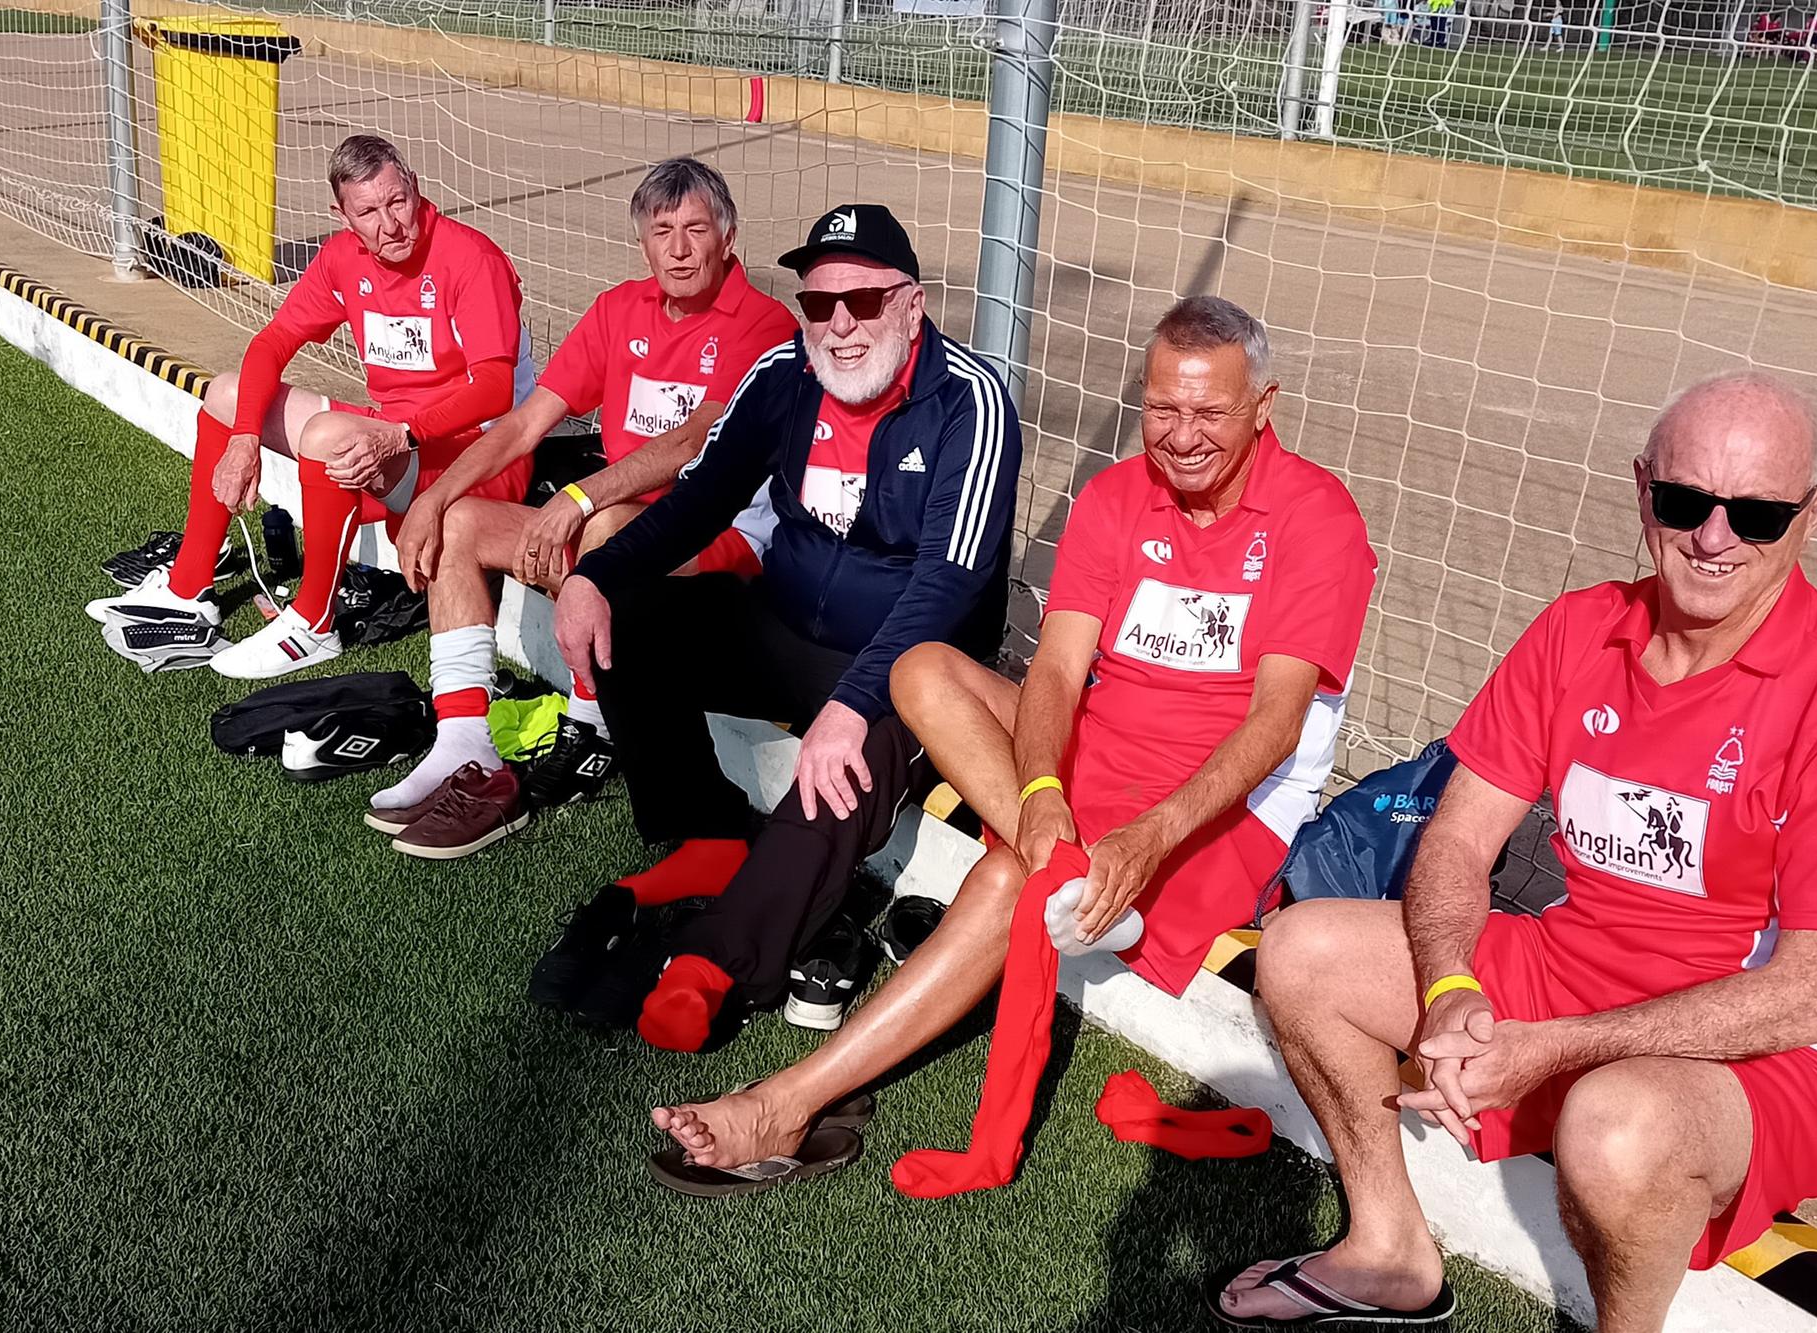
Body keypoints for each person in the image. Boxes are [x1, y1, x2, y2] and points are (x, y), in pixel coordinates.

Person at [647, 296, 1379, 1184]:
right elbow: (1059, 676)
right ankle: (1060, 863)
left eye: (1208, 412)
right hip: (1104, 753)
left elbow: (1275, 726)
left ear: (1264, 406)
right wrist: (1039, 794)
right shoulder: (1115, 497)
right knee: (920, 668)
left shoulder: (1318, 517)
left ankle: (783, 1104)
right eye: (1161, 408)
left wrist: (1148, 838)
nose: (1180, 434)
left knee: (1001, 878)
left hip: (1215, 807)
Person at [1219, 371, 1817, 1332]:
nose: (1713, 537)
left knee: (1614, 1124)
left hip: (1769, 1052)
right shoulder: (1580, 629)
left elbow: (1811, 994)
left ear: (1811, 517)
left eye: (1759, 514)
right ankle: (1389, 1247)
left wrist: (1554, 1050)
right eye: (1687, 501)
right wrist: (1451, 990)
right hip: (1576, 974)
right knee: (1302, 950)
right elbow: (1455, 836)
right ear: (1643, 488)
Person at [535, 203, 1022, 1049]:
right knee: (632, 615)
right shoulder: (783, 375)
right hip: (781, 624)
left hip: (907, 664)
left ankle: (722, 960)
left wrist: (855, 699)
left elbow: (945, 585)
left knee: (850, 760)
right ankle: (709, 833)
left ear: (912, 304)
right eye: (818, 302)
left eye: (863, 302)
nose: (838, 325)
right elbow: (696, 505)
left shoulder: (970, 404)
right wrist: (593, 574)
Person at [363, 158, 798, 857]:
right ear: (643, 243)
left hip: (720, 544)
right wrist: (435, 497)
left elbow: (698, 438)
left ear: (728, 236)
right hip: (614, 538)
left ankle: (590, 725)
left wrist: (579, 494)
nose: (679, 248)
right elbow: (525, 423)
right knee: (463, 523)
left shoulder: (763, 322)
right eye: (663, 231)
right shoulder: (618, 310)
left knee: (608, 523)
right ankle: (461, 738)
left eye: (696, 229)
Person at [88, 134, 529, 680]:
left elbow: (494, 390)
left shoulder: (469, 258)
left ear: (414, 188)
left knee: (327, 435)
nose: (390, 224)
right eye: (368, 211)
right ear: (341, 215)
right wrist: (246, 439)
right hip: (404, 441)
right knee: (228, 395)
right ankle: (189, 588)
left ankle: (314, 623)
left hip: (481, 455)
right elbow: (272, 343)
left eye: (397, 202)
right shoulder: (345, 258)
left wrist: (397, 437)